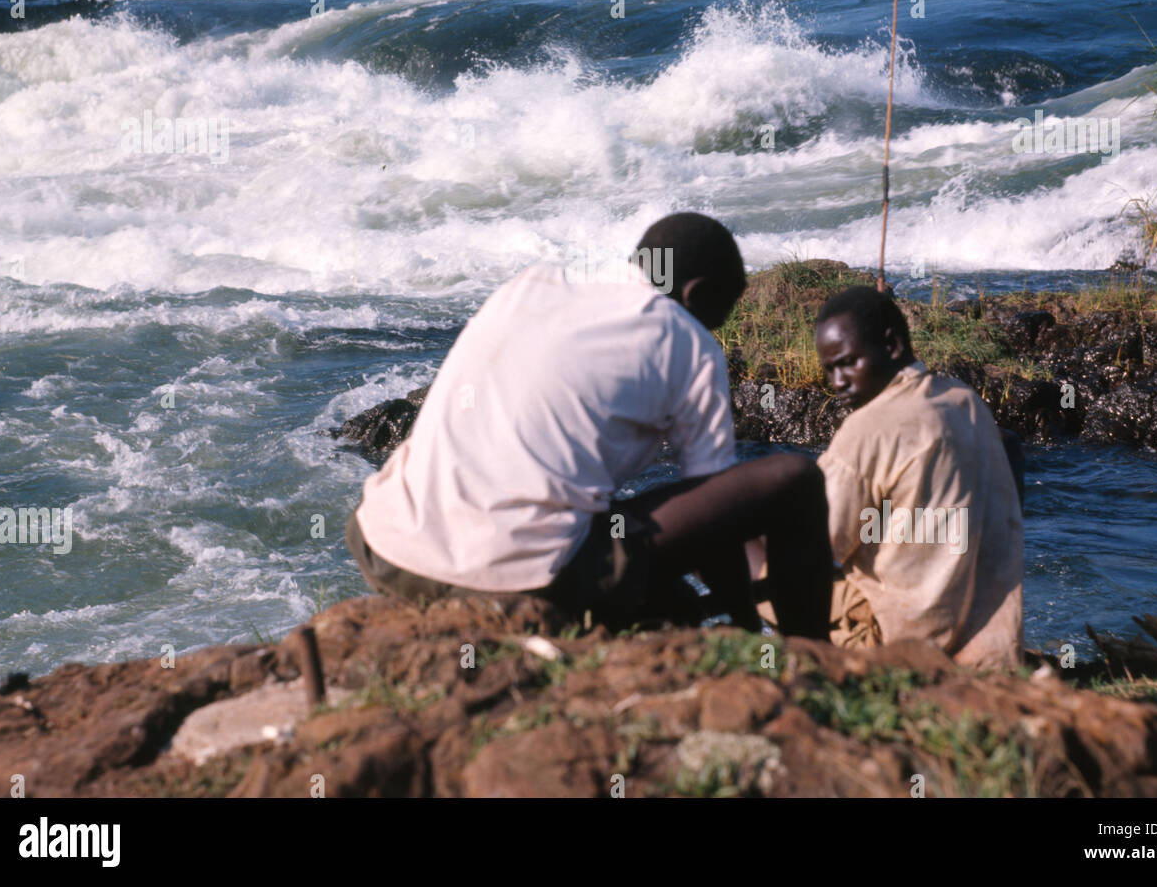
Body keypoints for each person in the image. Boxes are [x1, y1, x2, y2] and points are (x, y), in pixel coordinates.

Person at [346, 213, 833, 638]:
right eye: (717, 316)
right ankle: (812, 656)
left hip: (386, 545)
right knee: (793, 478)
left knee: (668, 597)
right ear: (696, 294)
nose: (713, 331)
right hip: (516, 576)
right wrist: (747, 620)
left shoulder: (530, 284)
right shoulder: (686, 339)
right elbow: (719, 518)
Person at [754, 285, 1024, 669]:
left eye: (848, 363)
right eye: (830, 369)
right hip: (984, 645)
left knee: (726, 532)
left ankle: (790, 656)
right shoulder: (965, 400)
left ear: (892, 346)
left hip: (892, 642)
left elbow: (813, 545)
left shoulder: (868, 428)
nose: (837, 382)